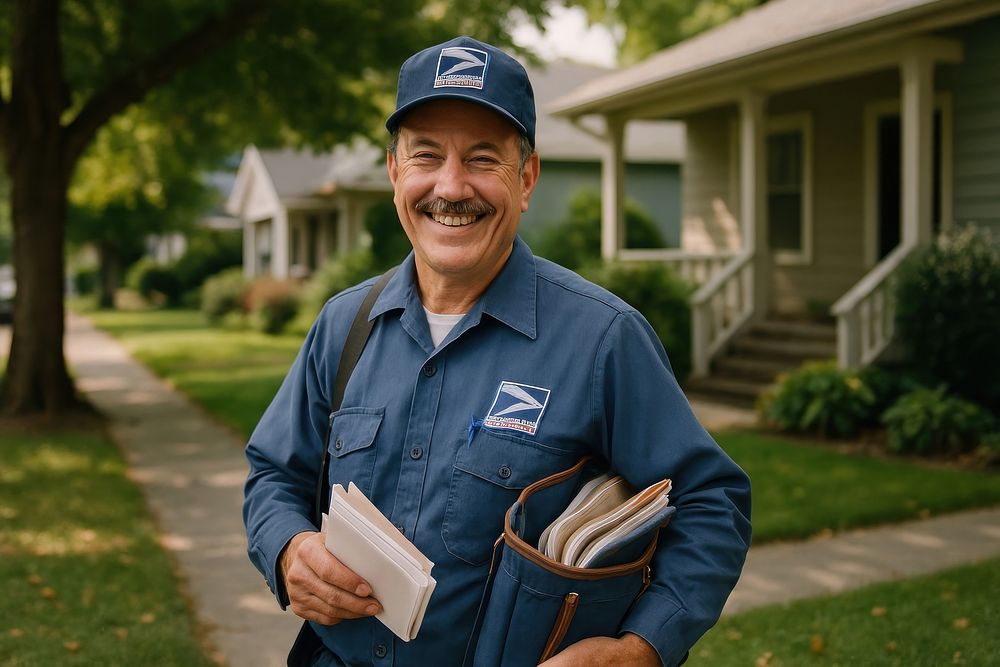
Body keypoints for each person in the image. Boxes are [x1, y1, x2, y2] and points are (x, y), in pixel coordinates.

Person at [243, 36, 751, 666]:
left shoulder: (602, 338)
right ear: (395, 171)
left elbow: (711, 503)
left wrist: (641, 648)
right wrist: (289, 548)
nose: (451, 188)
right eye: (426, 155)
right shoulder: (345, 325)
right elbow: (273, 474)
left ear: (528, 177)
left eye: (483, 159)